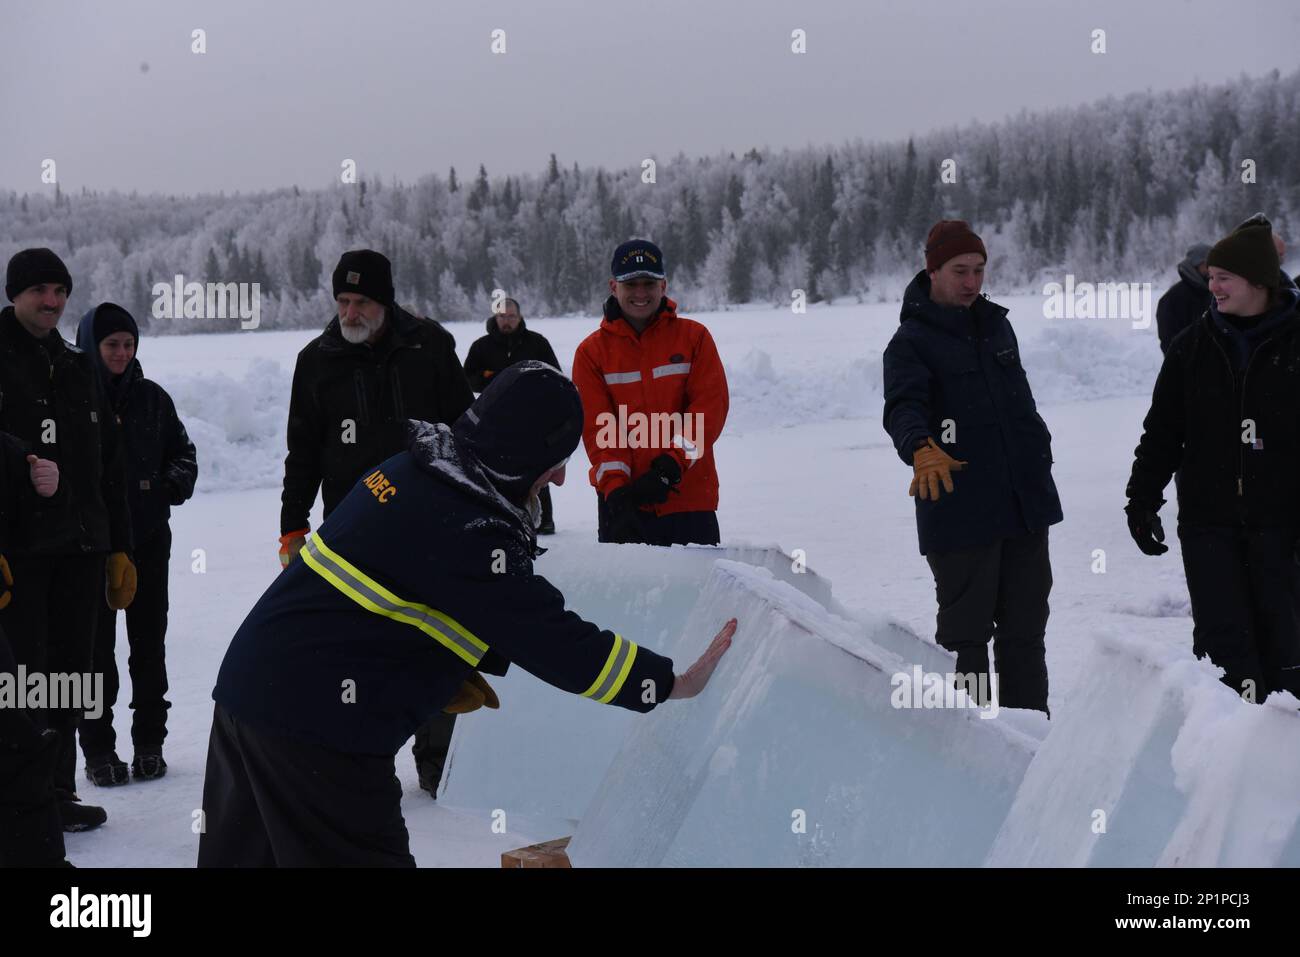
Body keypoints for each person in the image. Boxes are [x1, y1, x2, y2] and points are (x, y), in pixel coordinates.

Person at [198, 362, 735, 866]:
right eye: (557, 464)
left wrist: (437, 660)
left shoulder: (412, 470)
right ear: (524, 456)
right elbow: (553, 640)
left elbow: (402, 592)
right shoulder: (468, 525)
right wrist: (667, 683)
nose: (563, 481)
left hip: (247, 697)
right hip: (316, 731)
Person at [280, 249, 474, 799]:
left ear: (385, 301)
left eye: (361, 301)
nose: (350, 312)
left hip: (432, 521)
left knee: (435, 640)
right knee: (362, 647)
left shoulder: (429, 345)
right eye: (342, 301)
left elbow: (466, 428)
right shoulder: (315, 359)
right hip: (352, 530)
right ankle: (365, 760)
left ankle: (436, 760)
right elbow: (302, 452)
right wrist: (292, 526)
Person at [882, 220, 1061, 714]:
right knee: (966, 639)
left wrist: (1038, 449)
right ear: (931, 270)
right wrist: (918, 445)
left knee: (1025, 634)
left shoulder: (996, 325)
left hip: (1024, 502)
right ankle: (976, 739)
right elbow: (902, 406)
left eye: (979, 270)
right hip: (959, 508)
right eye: (960, 271)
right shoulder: (910, 343)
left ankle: (1029, 735)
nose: (972, 282)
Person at [1126, 213, 1300, 703]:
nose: (1213, 285)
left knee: (1287, 652)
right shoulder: (1192, 347)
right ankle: (1225, 768)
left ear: (1258, 281)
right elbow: (1162, 431)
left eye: (1224, 278)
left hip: (1282, 526)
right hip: (1208, 523)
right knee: (1226, 656)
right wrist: (1141, 498)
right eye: (1212, 277)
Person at [0, 249, 134, 831]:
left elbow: (108, 467)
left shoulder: (79, 366)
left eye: (60, 291)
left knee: (71, 674)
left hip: (81, 549)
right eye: (40, 292)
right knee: (21, 679)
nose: (52, 302)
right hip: (19, 551)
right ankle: (21, 801)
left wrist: (120, 545)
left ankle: (55, 792)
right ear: (14, 294)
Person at [75, 303, 197, 785]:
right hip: (89, 547)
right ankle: (98, 749)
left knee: (149, 646)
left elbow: (183, 455)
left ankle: (150, 743)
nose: (121, 353)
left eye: (128, 344)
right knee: (93, 653)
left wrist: (166, 488)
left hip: (148, 540)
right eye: (111, 345)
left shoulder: (152, 399)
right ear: (91, 345)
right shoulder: (73, 396)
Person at [572, 240, 729, 546]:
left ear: (664, 285)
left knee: (697, 593)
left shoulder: (695, 338)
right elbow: (599, 429)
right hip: (623, 503)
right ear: (613, 286)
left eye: (649, 283)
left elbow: (709, 409)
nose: (640, 293)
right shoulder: (591, 353)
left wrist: (671, 466)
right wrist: (616, 489)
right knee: (628, 595)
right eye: (631, 283)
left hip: (688, 498)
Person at [0, 437, 86, 863]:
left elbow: (45, 525)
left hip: (14, 607)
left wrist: (51, 493)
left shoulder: (10, 454)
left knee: (20, 743)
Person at [463, 297, 561, 533]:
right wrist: (490, 379)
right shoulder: (481, 346)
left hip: (532, 416)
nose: (506, 321)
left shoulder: (537, 343)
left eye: (511, 316)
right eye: (502, 316)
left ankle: (545, 519)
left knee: (537, 468)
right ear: (495, 318)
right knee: (497, 470)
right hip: (494, 418)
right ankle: (505, 517)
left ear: (520, 317)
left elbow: (555, 376)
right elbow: (466, 378)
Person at [1156, 244, 1212, 354]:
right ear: (1196, 264)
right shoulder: (1172, 298)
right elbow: (1169, 342)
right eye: (1208, 264)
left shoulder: (1214, 292)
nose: (1211, 269)